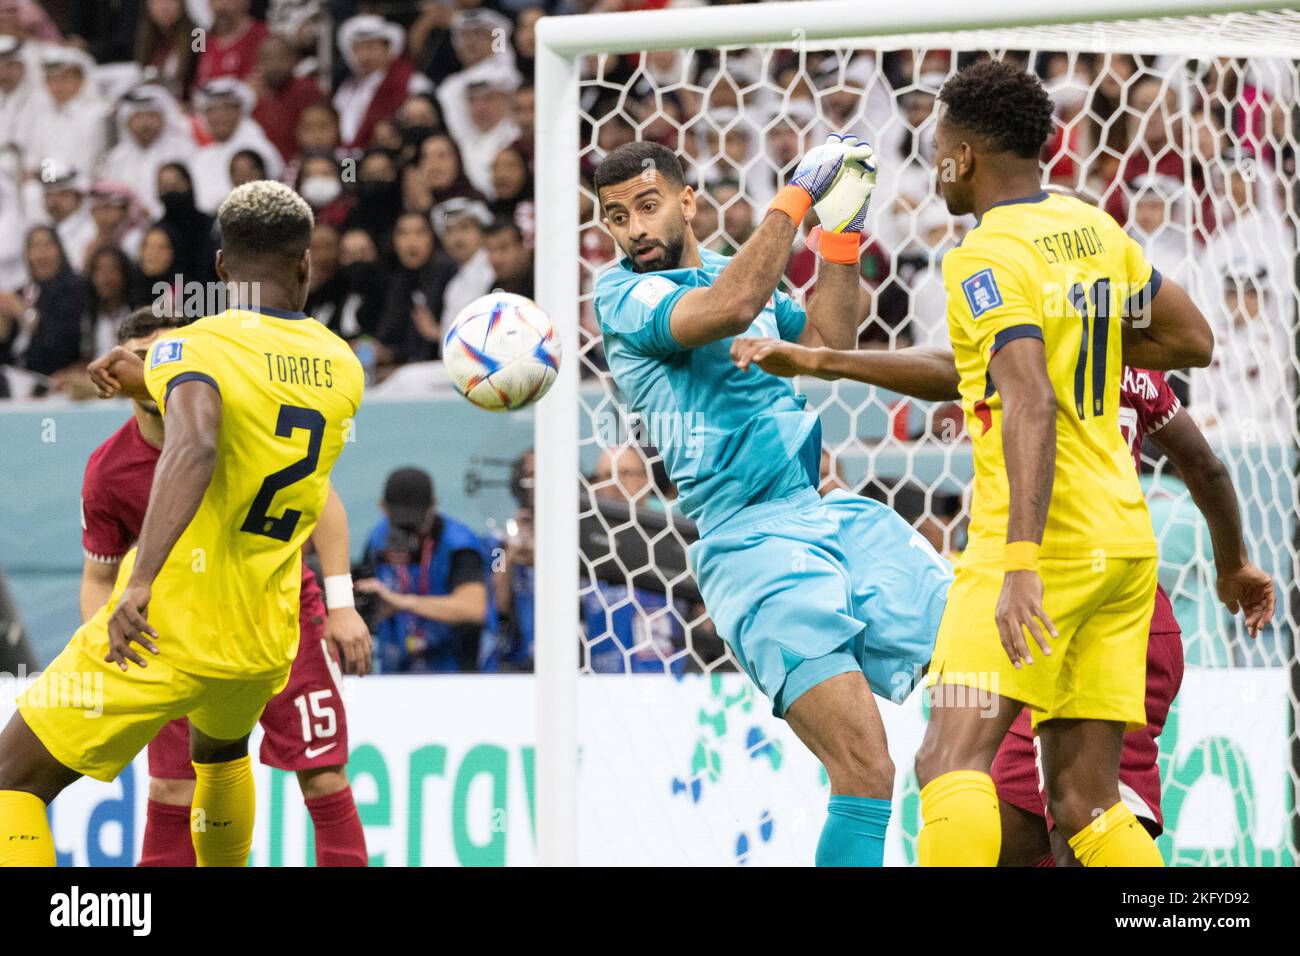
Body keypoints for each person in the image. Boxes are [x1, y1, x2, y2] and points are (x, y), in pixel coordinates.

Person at [783, 58, 1213, 868]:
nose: (934, 163)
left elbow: (1027, 399)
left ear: (964, 156)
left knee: (947, 763)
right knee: (1087, 803)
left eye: (937, 145)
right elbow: (1192, 339)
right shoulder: (1093, 229)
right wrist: (827, 364)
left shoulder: (983, 256)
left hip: (1038, 549)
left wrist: (1018, 561)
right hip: (1123, 545)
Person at [732, 345, 1274, 867]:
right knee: (1064, 816)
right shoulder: (1129, 368)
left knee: (989, 782)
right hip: (1126, 603)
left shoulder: (1022, 343)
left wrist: (824, 361)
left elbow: (953, 368)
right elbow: (1207, 465)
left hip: (1047, 592)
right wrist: (1234, 565)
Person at [593, 136, 951, 868]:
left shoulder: (735, 267)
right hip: (753, 549)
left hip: (830, 515)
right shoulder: (623, 296)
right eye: (615, 216)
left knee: (989, 669)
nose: (632, 230)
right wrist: (795, 198)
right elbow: (730, 310)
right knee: (866, 767)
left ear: (687, 203)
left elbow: (830, 336)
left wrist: (841, 235)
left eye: (647, 207)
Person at [0, 180, 365, 867]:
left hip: (172, 628)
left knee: (9, 783)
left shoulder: (194, 347)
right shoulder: (340, 365)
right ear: (306, 265)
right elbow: (254, 404)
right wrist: (152, 377)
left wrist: (138, 583)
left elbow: (195, 442)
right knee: (220, 756)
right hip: (263, 638)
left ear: (221, 268)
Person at [78, 308, 371, 867]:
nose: (152, 367)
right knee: (171, 789)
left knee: (324, 772)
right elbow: (97, 577)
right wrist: (110, 648)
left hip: (280, 613)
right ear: (117, 374)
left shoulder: (241, 420)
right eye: (138, 357)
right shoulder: (109, 471)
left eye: (162, 353)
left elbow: (322, 502)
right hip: (175, 636)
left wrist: (341, 605)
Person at [356, 467, 495, 674]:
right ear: (383, 507)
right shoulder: (378, 538)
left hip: (459, 674)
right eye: (401, 523)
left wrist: (401, 602)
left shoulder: (459, 543)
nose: (410, 531)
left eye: (417, 522)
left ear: (433, 506)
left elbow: (474, 608)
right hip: (397, 674)